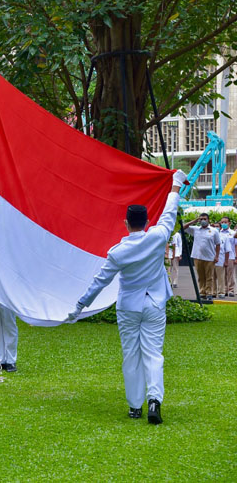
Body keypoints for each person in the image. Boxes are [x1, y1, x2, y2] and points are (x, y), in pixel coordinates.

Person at [68, 170, 187, 425]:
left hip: (129, 306)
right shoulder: (157, 236)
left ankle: (135, 406)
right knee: (153, 354)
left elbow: (100, 281)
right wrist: (175, 184)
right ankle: (154, 400)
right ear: (146, 222)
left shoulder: (118, 252)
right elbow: (169, 211)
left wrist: (80, 305)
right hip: (154, 302)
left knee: (131, 354)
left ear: (126, 223)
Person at [183, 213, 220, 299]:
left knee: (209, 277)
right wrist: (194, 221)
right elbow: (183, 227)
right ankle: (202, 292)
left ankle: (209, 293)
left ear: (208, 220)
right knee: (201, 276)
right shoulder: (195, 229)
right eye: (201, 219)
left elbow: (218, 244)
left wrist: (217, 256)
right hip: (198, 256)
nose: (203, 220)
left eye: (205, 219)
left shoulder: (214, 231)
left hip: (210, 257)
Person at [215, 217, 232, 298]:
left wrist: (226, 261)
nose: (216, 228)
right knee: (211, 277)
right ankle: (213, 292)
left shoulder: (225, 236)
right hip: (211, 260)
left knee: (222, 277)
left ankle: (222, 292)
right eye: (222, 222)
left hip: (222, 259)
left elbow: (227, 250)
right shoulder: (211, 235)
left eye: (217, 226)